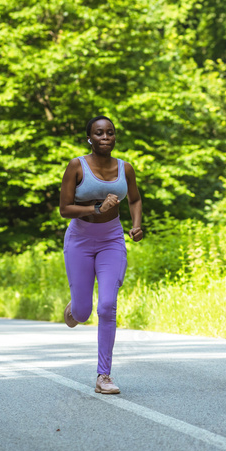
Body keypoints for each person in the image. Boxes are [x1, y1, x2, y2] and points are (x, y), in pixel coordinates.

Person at [59, 115, 143, 394]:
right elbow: (65, 209)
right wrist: (95, 209)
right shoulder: (76, 166)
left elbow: (134, 199)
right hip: (80, 240)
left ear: (115, 137)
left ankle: (103, 376)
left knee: (107, 306)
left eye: (110, 133)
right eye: (99, 133)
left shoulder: (125, 168)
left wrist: (136, 225)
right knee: (83, 314)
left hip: (111, 240)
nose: (105, 137)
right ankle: (75, 308)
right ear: (89, 138)